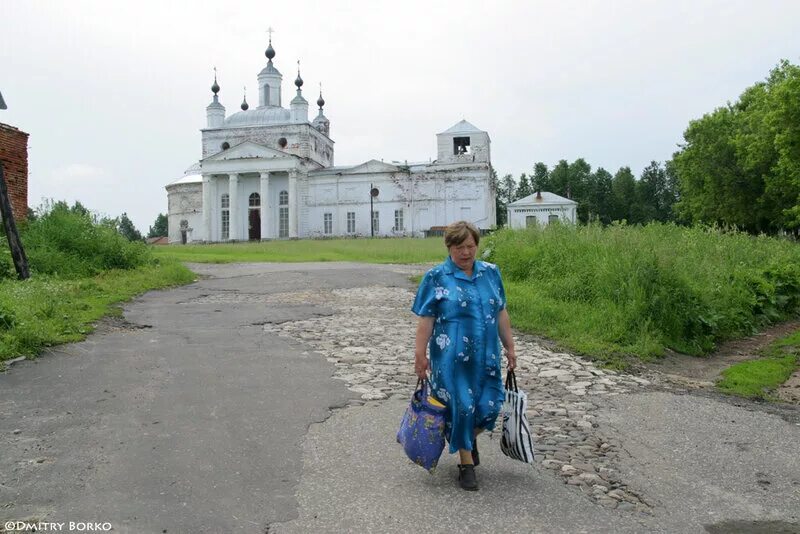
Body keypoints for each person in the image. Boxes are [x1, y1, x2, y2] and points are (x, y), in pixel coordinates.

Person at [412, 221, 516, 491]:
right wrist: (419, 354)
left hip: (487, 356)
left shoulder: (491, 274)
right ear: (449, 248)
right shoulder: (436, 277)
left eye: (470, 246)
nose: (466, 252)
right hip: (452, 359)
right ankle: (466, 464)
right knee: (463, 407)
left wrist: (510, 346)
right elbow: (426, 319)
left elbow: (501, 311)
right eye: (459, 247)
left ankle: (464, 436)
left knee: (491, 406)